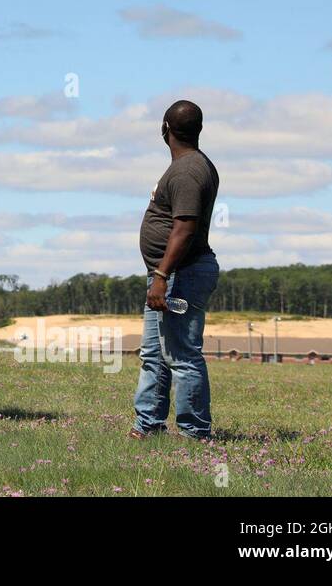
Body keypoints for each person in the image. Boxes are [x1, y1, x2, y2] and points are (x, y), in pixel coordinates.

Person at [131, 99, 220, 441]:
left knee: (182, 355)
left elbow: (184, 227)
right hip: (168, 276)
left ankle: (194, 433)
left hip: (180, 276)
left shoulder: (186, 171)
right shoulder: (189, 166)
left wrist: (162, 275)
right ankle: (148, 425)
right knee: (154, 355)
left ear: (164, 128)